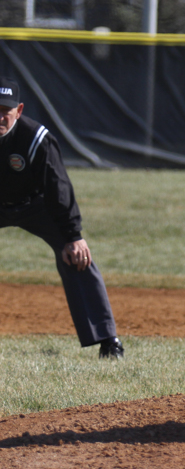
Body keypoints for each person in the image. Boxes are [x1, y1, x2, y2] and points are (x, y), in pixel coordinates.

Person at [0, 77, 123, 359]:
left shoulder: (35, 138)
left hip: (36, 204)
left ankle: (107, 339)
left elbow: (58, 186)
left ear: (18, 111)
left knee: (77, 256)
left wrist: (73, 235)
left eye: (4, 111)